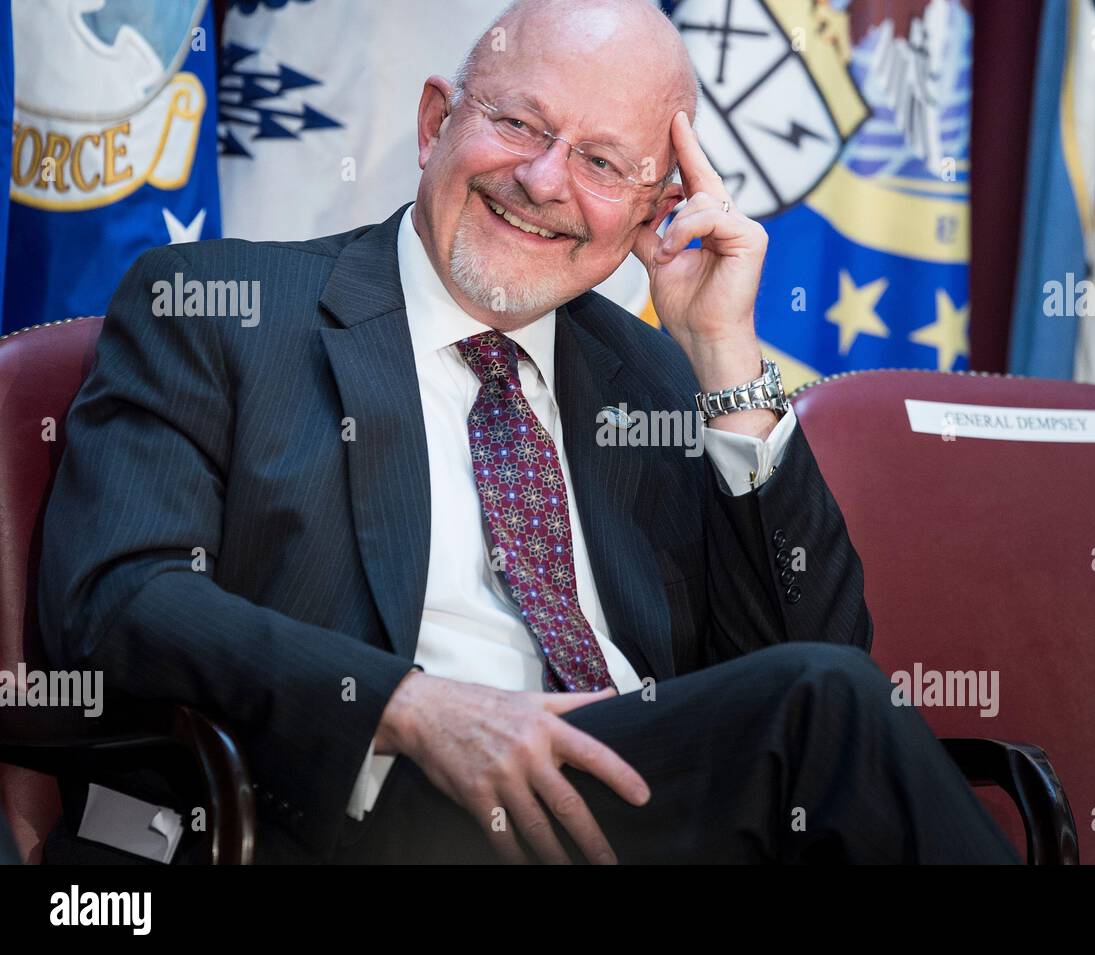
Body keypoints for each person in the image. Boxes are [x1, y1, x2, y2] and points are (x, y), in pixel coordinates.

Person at [38, 0, 1018, 864]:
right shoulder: (223, 309)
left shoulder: (657, 381)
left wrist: (723, 356)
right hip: (354, 810)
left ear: (654, 213)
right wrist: (408, 707)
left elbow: (820, 671)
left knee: (827, 703)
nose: (544, 180)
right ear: (434, 124)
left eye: (600, 162)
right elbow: (115, 596)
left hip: (631, 813)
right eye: (518, 123)